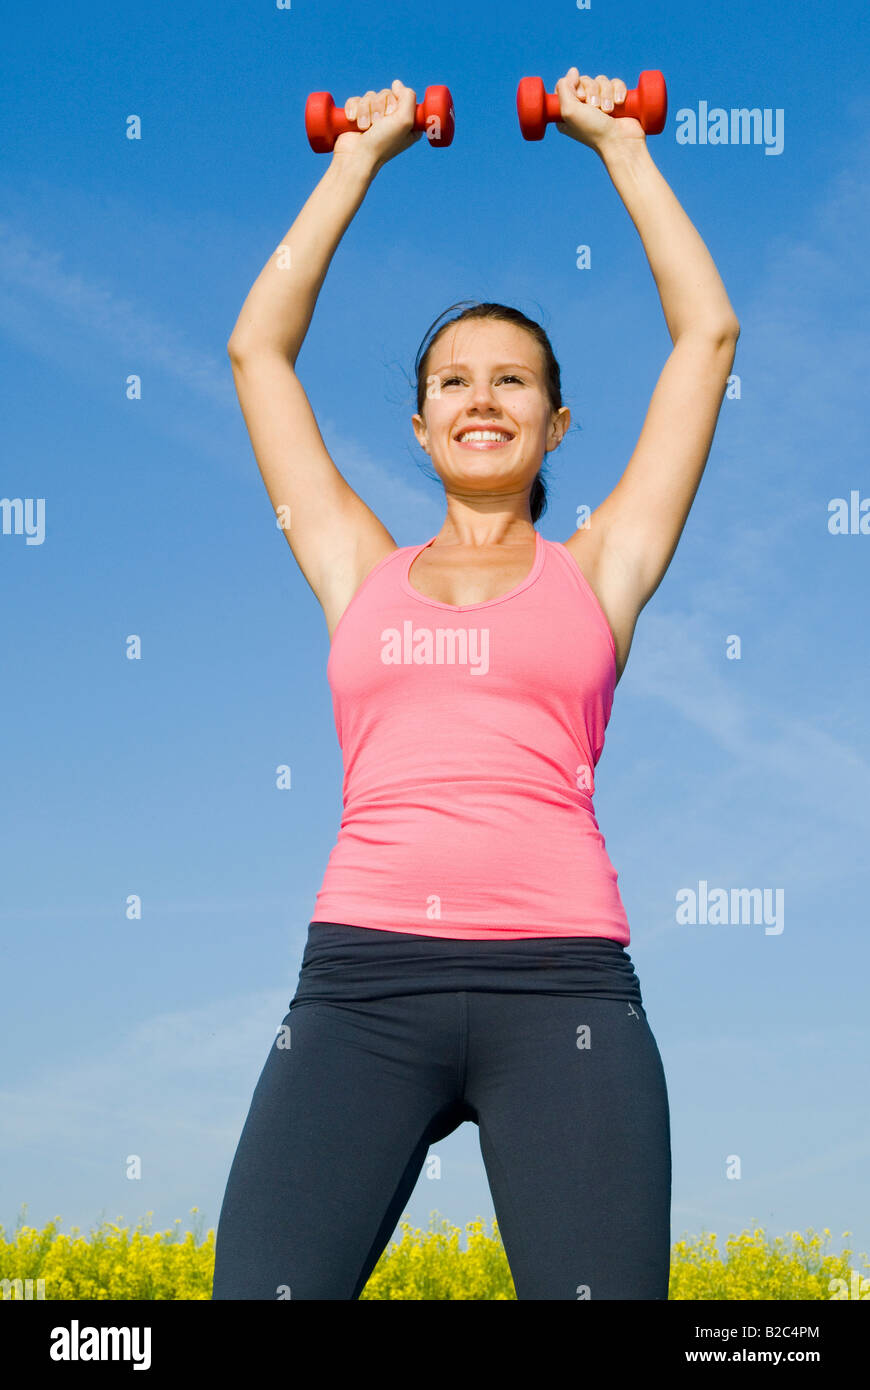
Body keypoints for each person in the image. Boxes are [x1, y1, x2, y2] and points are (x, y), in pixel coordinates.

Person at [211, 72, 740, 1301]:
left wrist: (619, 144)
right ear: (419, 425)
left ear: (555, 425)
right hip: (357, 985)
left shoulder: (606, 566)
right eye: (454, 379)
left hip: (564, 985)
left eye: (514, 380)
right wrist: (360, 159)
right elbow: (258, 350)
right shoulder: (354, 563)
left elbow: (705, 333)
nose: (483, 397)